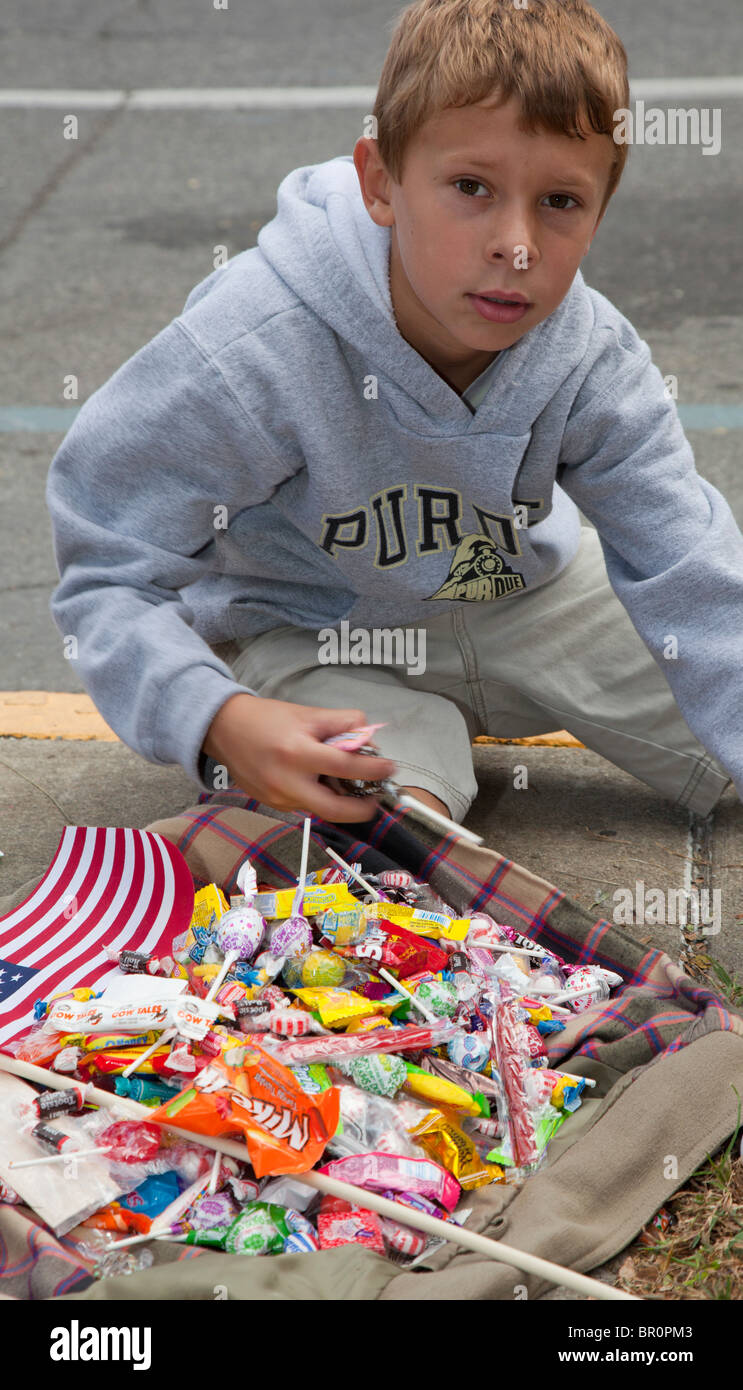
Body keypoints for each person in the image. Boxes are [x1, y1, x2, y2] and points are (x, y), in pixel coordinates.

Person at [46, 0, 740, 831]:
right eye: (470, 187)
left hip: (524, 600)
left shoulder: (591, 358)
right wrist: (213, 717)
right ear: (381, 180)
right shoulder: (255, 344)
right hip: (312, 633)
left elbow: (690, 573)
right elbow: (104, 569)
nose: (515, 246)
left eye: (560, 201)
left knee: (720, 693)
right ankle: (230, 841)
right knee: (394, 833)